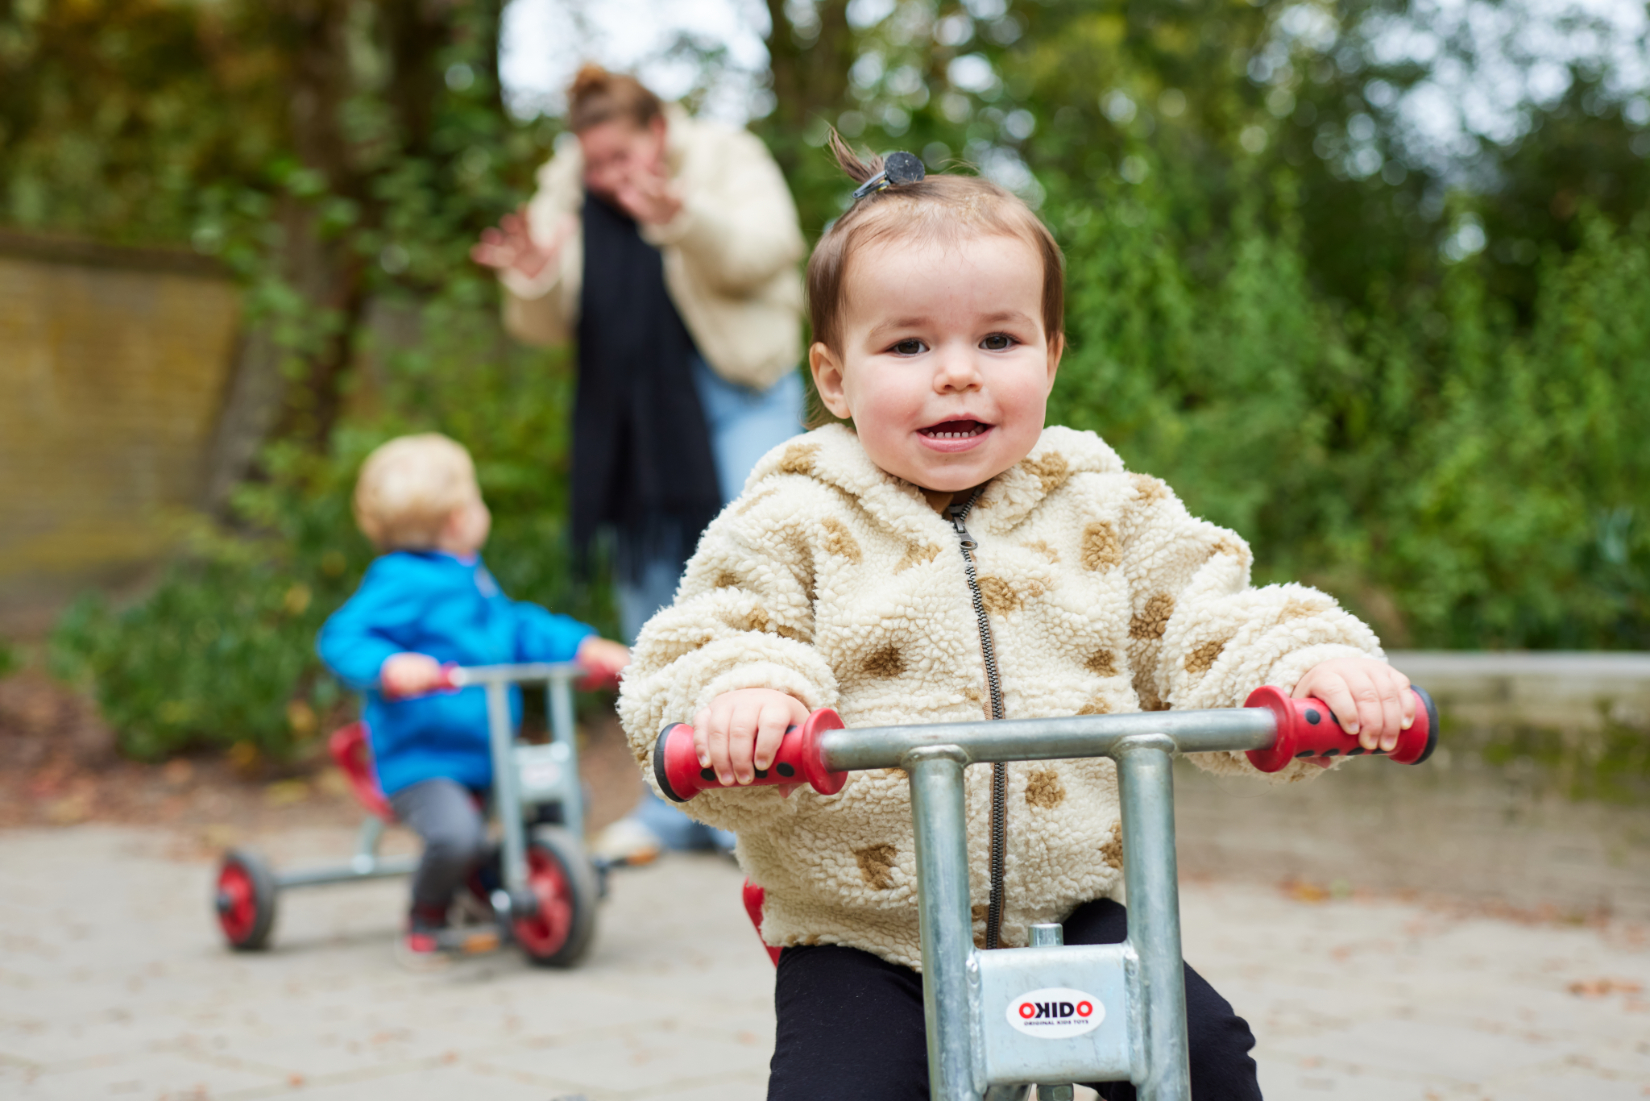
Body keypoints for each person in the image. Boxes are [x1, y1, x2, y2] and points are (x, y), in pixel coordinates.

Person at [616, 140, 1417, 1100]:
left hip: (1078, 904)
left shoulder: (1104, 507)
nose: (957, 373)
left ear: (1051, 355)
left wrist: (1310, 663)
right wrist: (743, 696)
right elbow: (714, 629)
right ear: (834, 378)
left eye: (998, 340)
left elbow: (1209, 613)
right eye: (909, 345)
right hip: (867, 928)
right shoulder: (793, 515)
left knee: (1201, 1055)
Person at [472, 63, 806, 858]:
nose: (609, 179)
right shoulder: (566, 189)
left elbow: (772, 252)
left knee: (750, 571)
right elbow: (548, 321)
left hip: (736, 389)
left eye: (623, 159)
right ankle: (672, 802)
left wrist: (684, 218)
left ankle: (766, 799)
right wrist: (533, 279)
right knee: (651, 598)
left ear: (658, 132)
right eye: (596, 165)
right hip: (626, 416)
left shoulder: (725, 155)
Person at [317, 433, 629, 967]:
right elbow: (342, 636)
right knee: (456, 835)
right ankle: (427, 916)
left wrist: (583, 646)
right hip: (424, 762)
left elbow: (516, 628)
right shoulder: (400, 580)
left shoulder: (472, 578)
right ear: (461, 518)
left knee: (562, 798)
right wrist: (391, 666)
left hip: (488, 755)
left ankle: (505, 879)